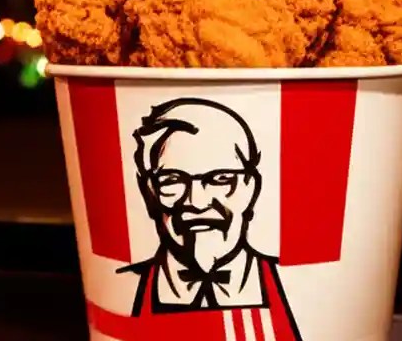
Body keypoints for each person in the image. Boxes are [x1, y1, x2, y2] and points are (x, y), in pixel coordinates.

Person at [113, 98, 301, 340]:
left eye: (221, 179)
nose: (198, 202)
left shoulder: (295, 282)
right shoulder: (121, 287)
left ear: (250, 188)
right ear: (149, 192)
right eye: (172, 181)